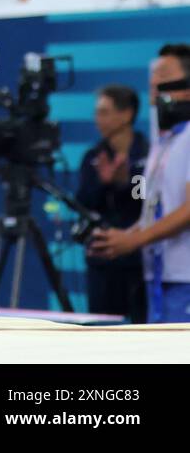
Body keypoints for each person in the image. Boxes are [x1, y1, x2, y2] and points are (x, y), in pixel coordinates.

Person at [90, 44, 190, 323]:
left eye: (164, 76)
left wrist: (134, 240)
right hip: (157, 279)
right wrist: (120, 238)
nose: (156, 85)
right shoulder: (162, 143)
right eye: (152, 80)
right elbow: (152, 208)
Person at [77, 85, 148, 321]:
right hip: (102, 261)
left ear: (126, 114)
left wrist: (124, 183)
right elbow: (84, 203)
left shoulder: (148, 156)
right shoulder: (93, 158)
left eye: (105, 112)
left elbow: (146, 203)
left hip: (138, 261)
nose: (98, 119)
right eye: (97, 113)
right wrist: (104, 183)